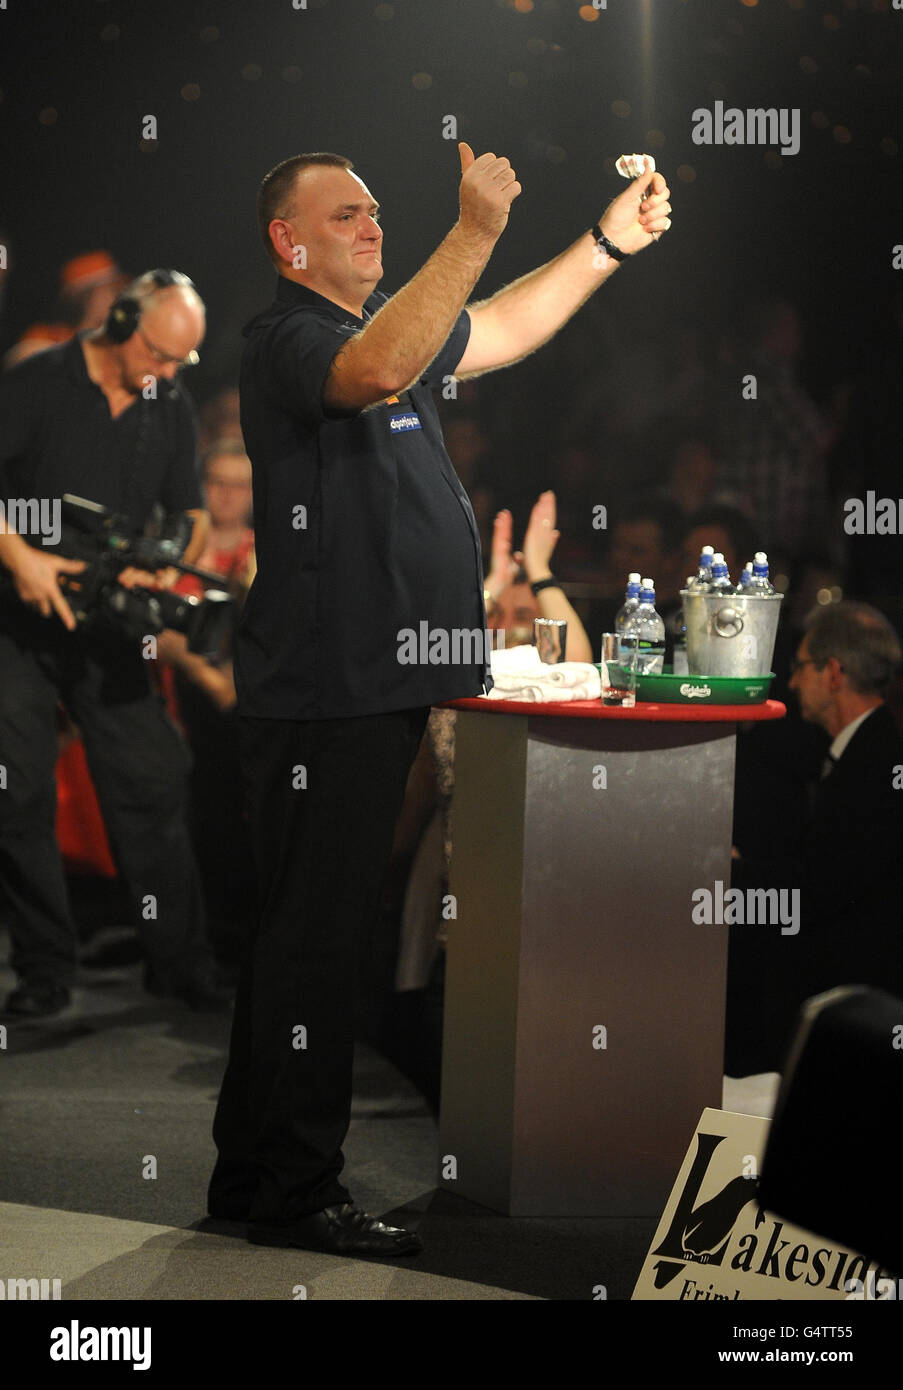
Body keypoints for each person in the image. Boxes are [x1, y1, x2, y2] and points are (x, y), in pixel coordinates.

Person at [207, 143, 672, 1255]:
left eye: (377, 212)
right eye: (349, 214)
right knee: (312, 946)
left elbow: (505, 323)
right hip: (329, 693)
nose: (375, 227)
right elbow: (372, 368)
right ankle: (291, 1188)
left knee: (309, 941)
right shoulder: (289, 339)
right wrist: (469, 231)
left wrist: (605, 244)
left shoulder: (394, 340)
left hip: (371, 686)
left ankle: (258, 1176)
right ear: (289, 241)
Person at [0, 270, 228, 1016]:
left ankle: (181, 966)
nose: (166, 374)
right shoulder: (37, 381)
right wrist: (21, 556)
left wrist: (160, 559)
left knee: (153, 784)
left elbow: (190, 513)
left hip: (111, 624)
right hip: (18, 621)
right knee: (19, 791)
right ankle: (43, 973)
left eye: (179, 365)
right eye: (160, 355)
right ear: (123, 321)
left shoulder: (170, 402)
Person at [727, 601, 903, 1074]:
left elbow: (822, 889)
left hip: (850, 1015)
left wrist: (740, 874)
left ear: (833, 672)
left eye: (800, 666)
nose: (791, 682)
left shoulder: (877, 765)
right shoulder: (866, 751)